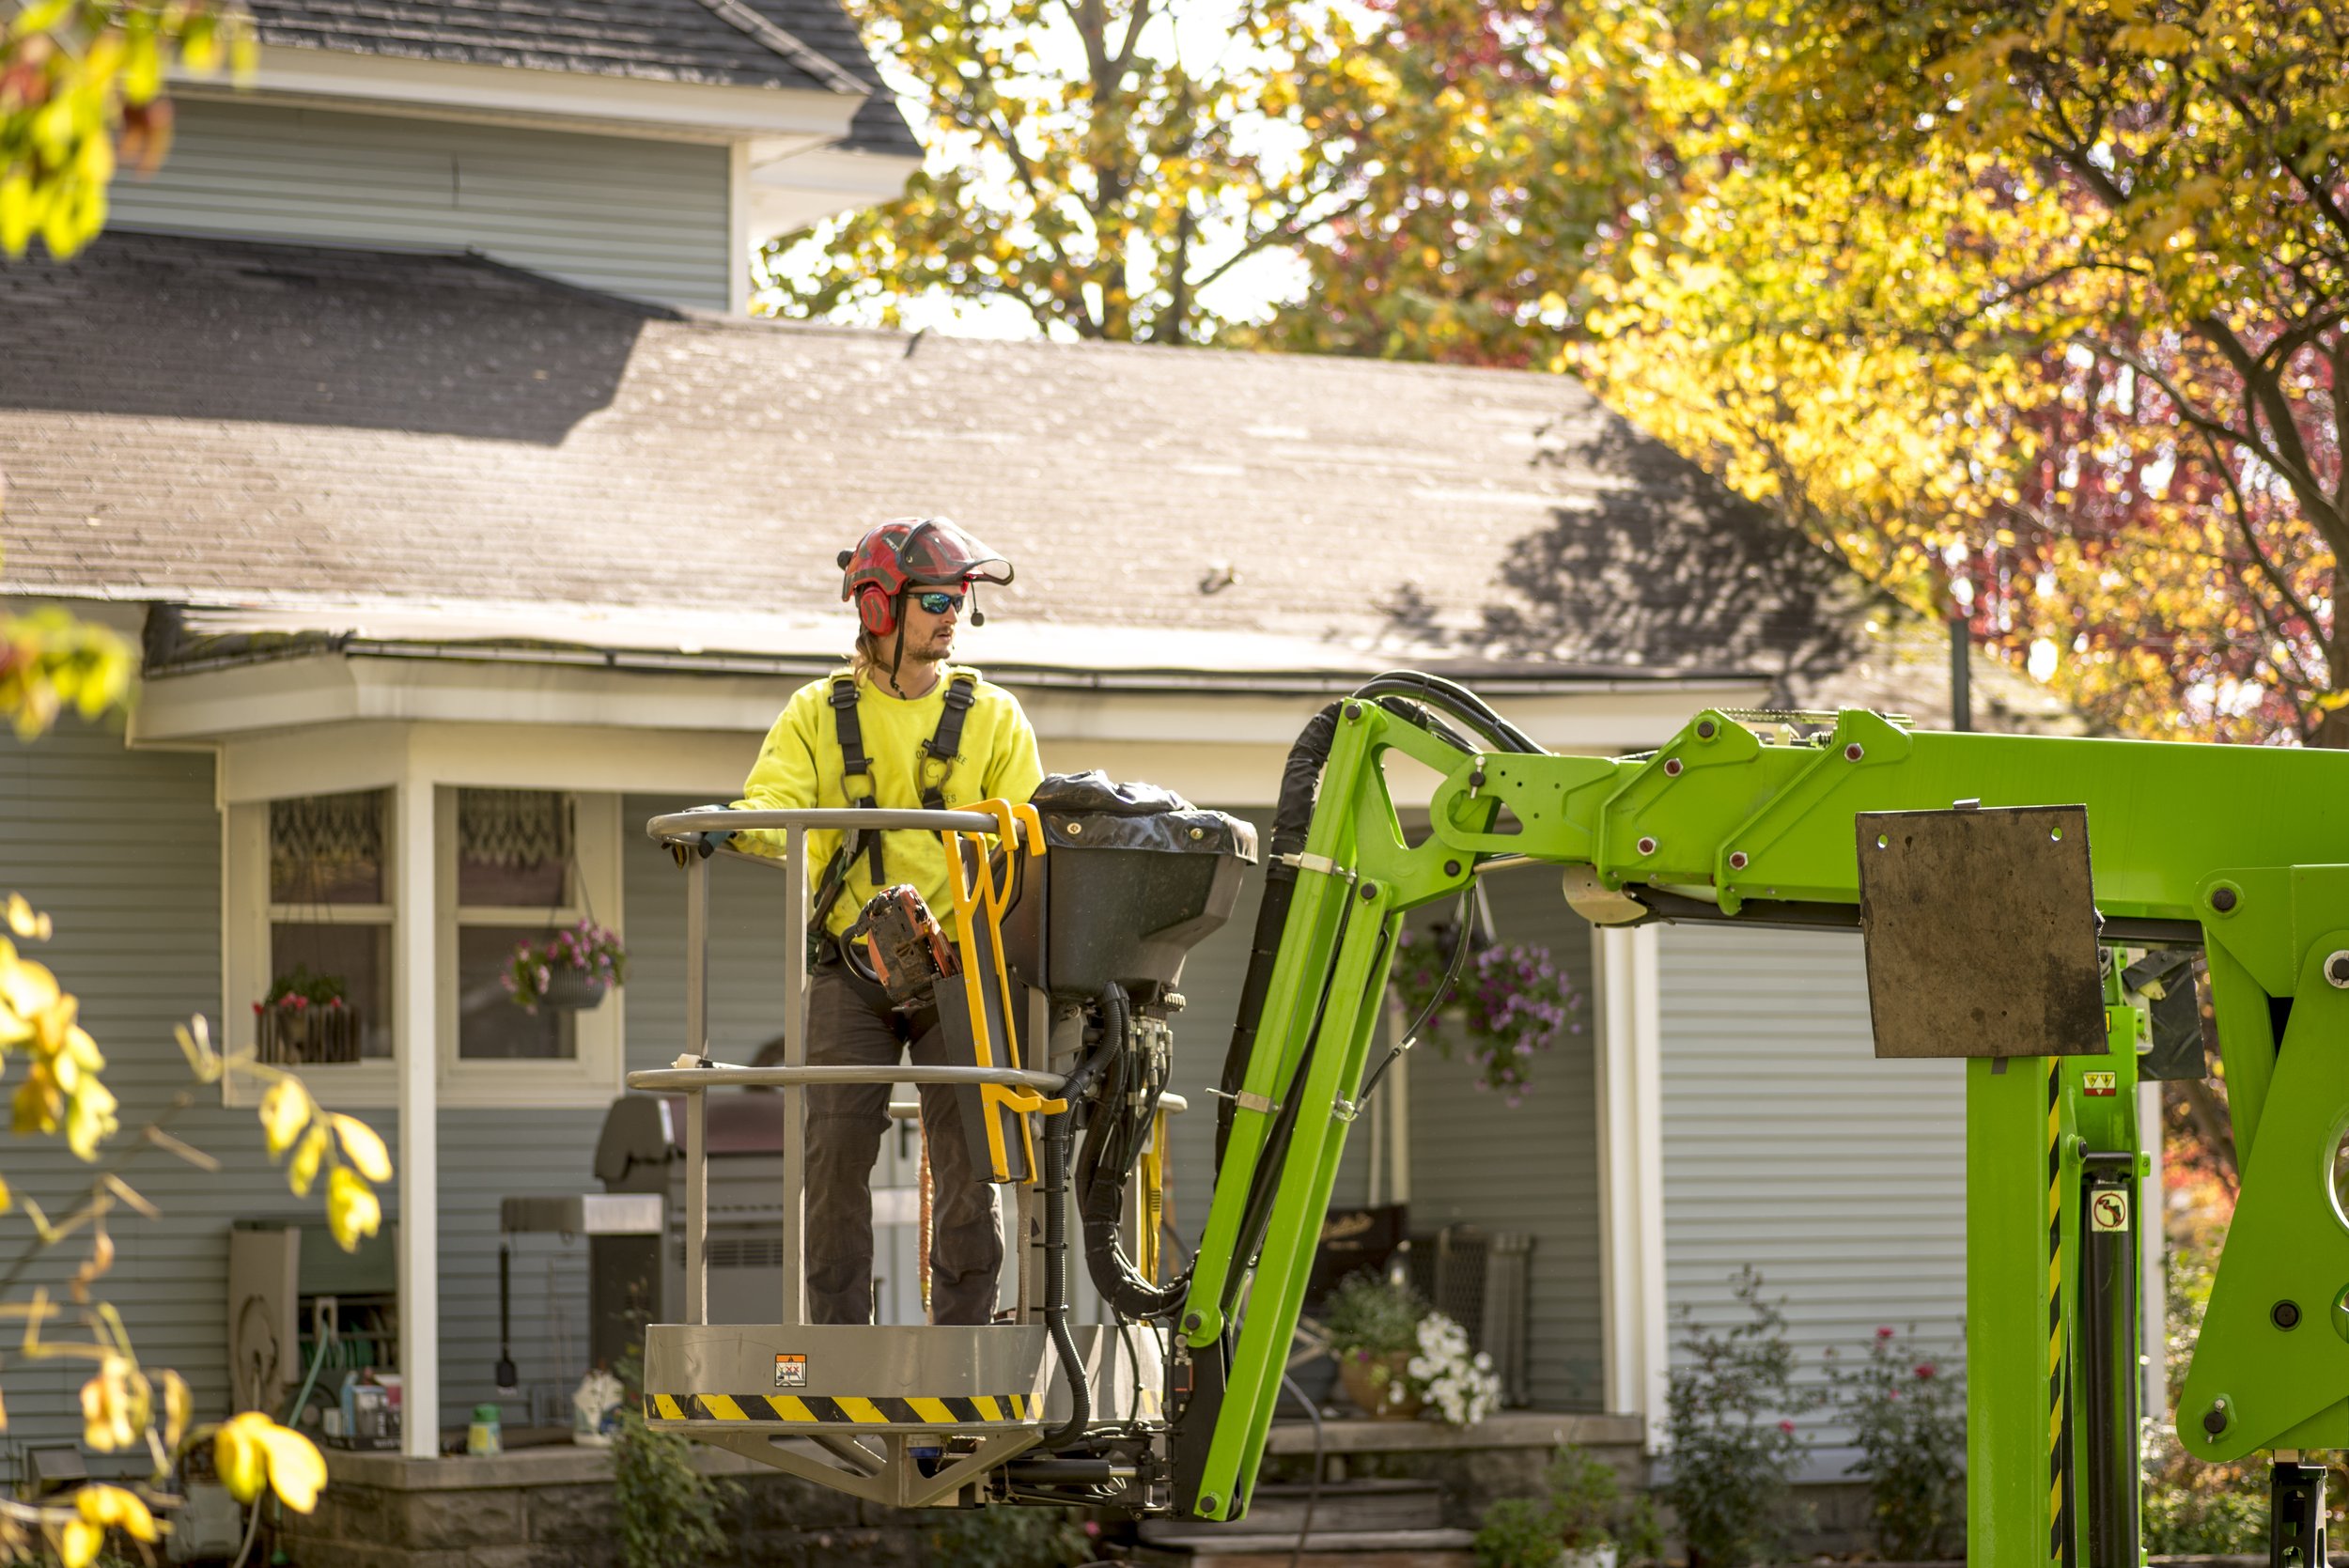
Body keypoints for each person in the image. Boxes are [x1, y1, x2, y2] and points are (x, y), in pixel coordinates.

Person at [732, 518, 1043, 1326]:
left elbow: (1028, 846)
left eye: (960, 598)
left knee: (970, 1161)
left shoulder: (995, 718)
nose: (953, 613)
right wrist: (730, 827)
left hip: (959, 972)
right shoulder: (816, 713)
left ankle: (963, 1341)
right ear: (878, 607)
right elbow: (772, 811)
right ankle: (838, 1344)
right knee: (832, 1156)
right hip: (853, 971)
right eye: (937, 597)